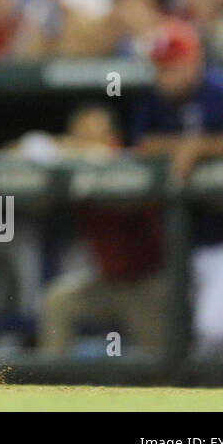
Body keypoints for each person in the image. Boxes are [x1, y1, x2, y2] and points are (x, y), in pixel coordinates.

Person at [129, 19, 223, 359]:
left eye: (170, 67)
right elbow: (140, 144)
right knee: (213, 338)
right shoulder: (155, 100)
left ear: (193, 62)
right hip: (193, 233)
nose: (161, 76)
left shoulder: (219, 90)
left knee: (219, 326)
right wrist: (181, 147)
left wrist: (198, 148)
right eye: (158, 68)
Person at [28, 105, 168, 354]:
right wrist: (52, 148)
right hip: (107, 284)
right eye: (79, 136)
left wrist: (81, 154)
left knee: (160, 363)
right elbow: (21, 152)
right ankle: (52, 384)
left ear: (111, 138)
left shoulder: (131, 162)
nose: (85, 143)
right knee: (57, 301)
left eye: (92, 135)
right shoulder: (72, 167)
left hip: (148, 283)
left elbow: (122, 193)